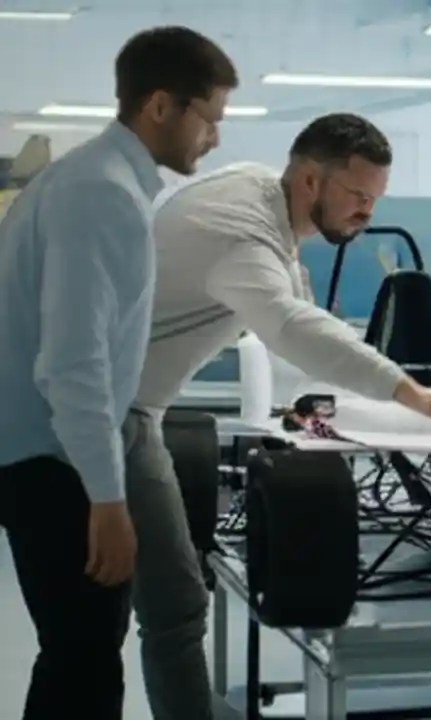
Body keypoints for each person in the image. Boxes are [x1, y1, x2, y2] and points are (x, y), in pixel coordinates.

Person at [128, 112, 431, 719]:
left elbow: (293, 312)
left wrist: (335, 400)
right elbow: (291, 325)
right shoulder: (242, 232)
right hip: (106, 413)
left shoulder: (255, 192)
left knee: (116, 611)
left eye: (374, 199)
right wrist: (415, 395)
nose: (367, 214)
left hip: (106, 405)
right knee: (170, 606)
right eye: (357, 196)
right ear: (308, 180)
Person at [0, 26, 238, 720]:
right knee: (84, 660)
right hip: (54, 465)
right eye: (210, 118)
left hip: (42, 455)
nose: (215, 138)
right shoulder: (101, 194)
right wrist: (107, 499)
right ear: (161, 106)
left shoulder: (87, 181)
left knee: (77, 654)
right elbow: (74, 364)